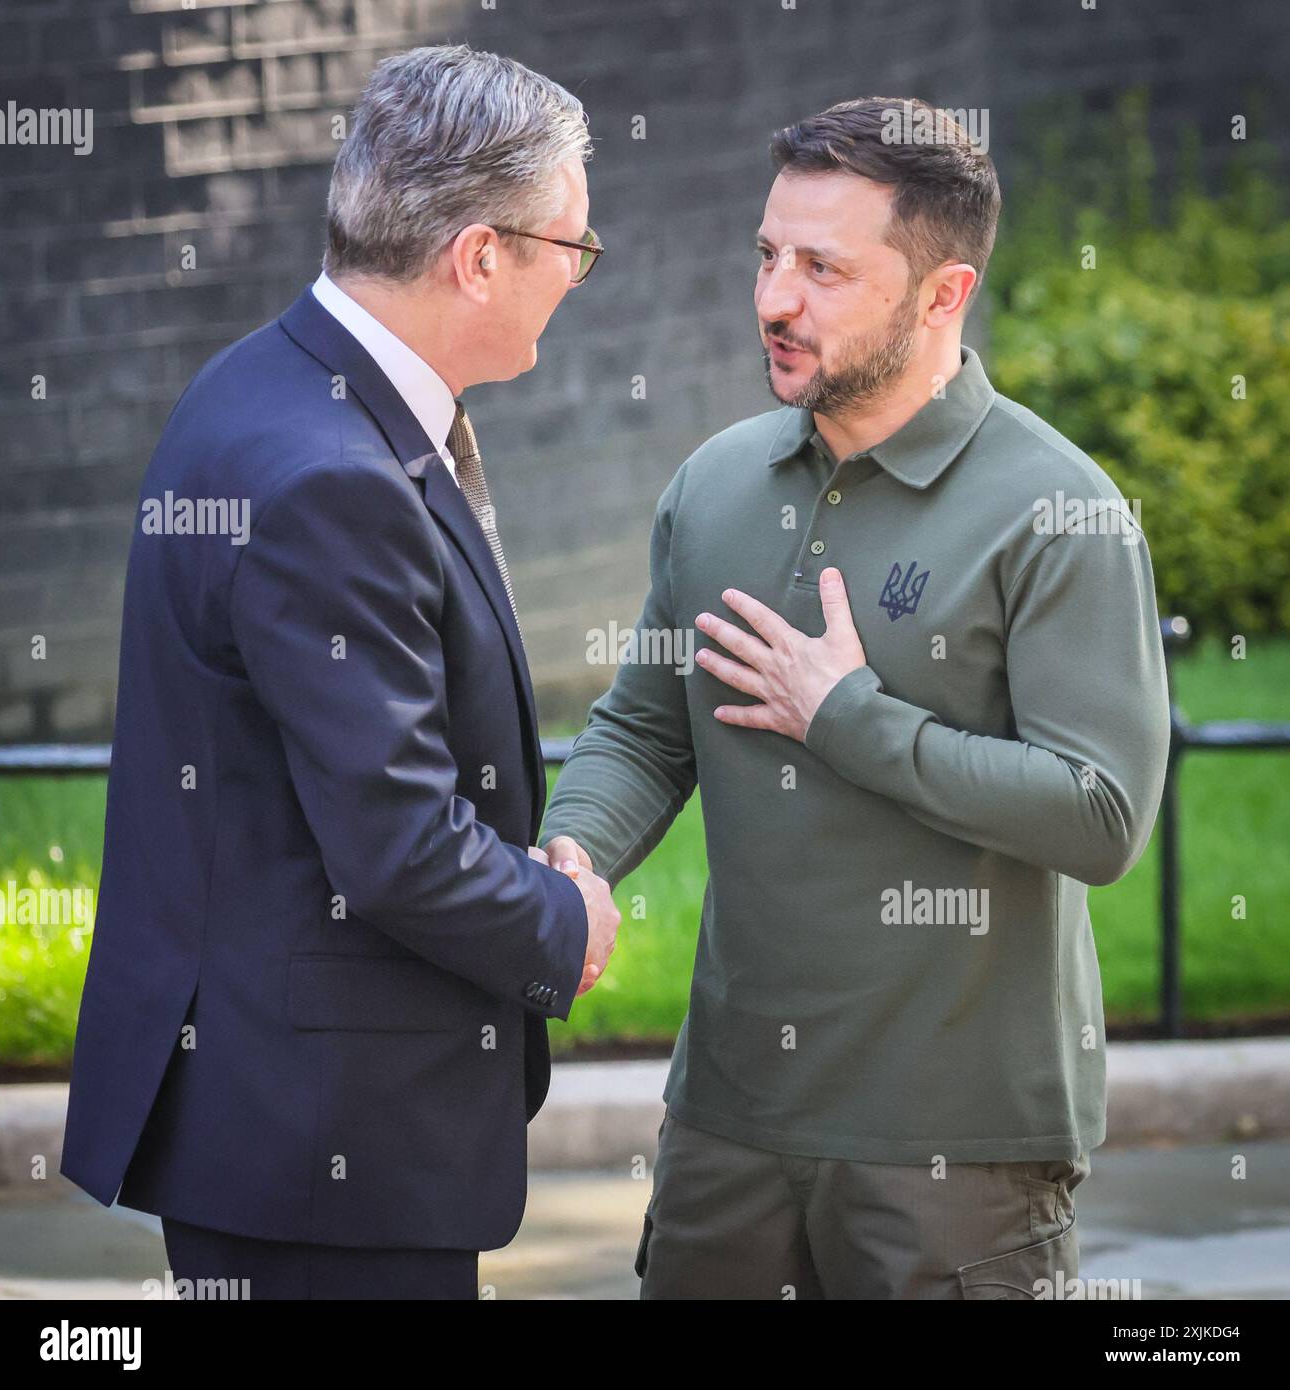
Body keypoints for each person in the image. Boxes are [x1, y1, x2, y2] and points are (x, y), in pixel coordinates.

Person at [540, 97, 1171, 1299]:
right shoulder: (714, 482)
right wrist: (574, 856)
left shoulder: (1058, 510)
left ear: (943, 294)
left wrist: (850, 719)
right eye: (768, 256)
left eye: (823, 268)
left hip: (959, 1154)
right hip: (728, 1122)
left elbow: (1101, 815)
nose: (776, 299)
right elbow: (643, 726)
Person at [60, 43, 619, 1301]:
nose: (577, 278)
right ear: (481, 256)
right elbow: (397, 846)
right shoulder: (334, 479)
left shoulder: (255, 383)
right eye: (572, 248)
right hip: (326, 1147)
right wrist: (562, 922)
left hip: (269, 1116)